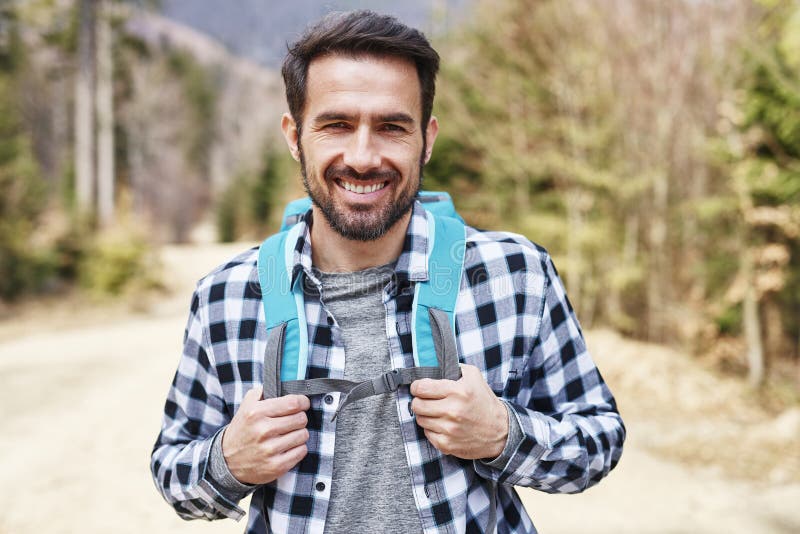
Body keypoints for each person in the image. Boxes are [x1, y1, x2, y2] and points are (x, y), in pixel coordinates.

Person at [151, 10, 625, 534]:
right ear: (294, 135)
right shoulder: (227, 295)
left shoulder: (517, 276)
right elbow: (174, 473)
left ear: (427, 137)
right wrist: (228, 462)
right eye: (336, 125)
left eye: (392, 127)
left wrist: (503, 435)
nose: (362, 156)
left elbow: (599, 441)